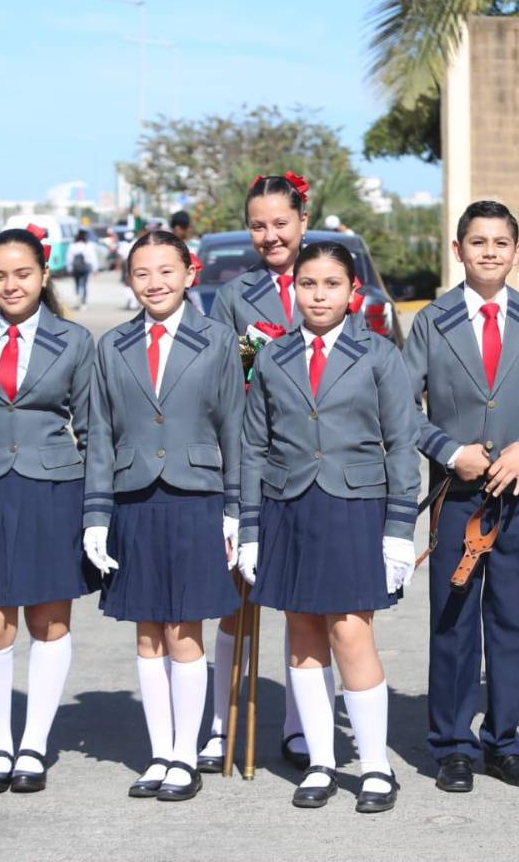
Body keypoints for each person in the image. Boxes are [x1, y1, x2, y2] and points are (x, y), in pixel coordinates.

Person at [402, 200, 519, 792]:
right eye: (477, 242)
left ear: (517, 252)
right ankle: (452, 745)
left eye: (500, 243)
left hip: (516, 496)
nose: (489, 252)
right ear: (458, 250)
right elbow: (400, 404)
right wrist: (449, 450)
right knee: (453, 620)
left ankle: (503, 740)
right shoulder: (431, 322)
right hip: (456, 495)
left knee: (511, 619)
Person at [238, 241, 420, 813]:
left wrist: (399, 528)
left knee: (350, 633)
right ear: (293, 288)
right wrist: (250, 530)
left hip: (354, 508)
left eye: (331, 284)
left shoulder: (379, 354)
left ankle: (375, 765)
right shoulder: (273, 357)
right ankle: (320, 761)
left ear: (352, 291)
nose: (319, 295)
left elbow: (401, 445)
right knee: (303, 633)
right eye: (308, 284)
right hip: (288, 507)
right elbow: (254, 446)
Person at [83, 230, 244, 802]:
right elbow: (99, 432)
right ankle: (159, 753)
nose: (155, 283)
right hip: (133, 498)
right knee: (147, 631)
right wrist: (95, 514)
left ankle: (185, 755)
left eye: (166, 271)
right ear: (129, 279)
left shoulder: (219, 340)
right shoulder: (112, 345)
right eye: (142, 273)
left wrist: (236, 510)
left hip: (196, 496)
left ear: (190, 273)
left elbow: (236, 429)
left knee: (183, 629)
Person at [0, 228, 98, 794]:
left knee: (48, 621)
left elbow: (93, 430)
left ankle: (33, 744)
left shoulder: (74, 341)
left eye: (23, 274)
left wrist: (95, 511)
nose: (11, 285)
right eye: (0, 275)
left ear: (43, 275)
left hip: (51, 491)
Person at [201, 172, 312, 772]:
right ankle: (222, 724)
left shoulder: (327, 279)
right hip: (250, 460)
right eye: (258, 226)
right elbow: (222, 382)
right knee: (235, 601)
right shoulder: (234, 295)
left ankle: (299, 726)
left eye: (280, 223)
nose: (271, 236)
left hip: (311, 462)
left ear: (302, 220)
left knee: (302, 602)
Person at [67, 229, 94, 306]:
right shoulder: (88, 245)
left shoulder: (73, 245)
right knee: (84, 284)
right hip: (86, 267)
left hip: (76, 267)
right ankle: (83, 300)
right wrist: (94, 268)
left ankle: (78, 297)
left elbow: (69, 257)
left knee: (77, 283)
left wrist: (69, 267)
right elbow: (92, 257)